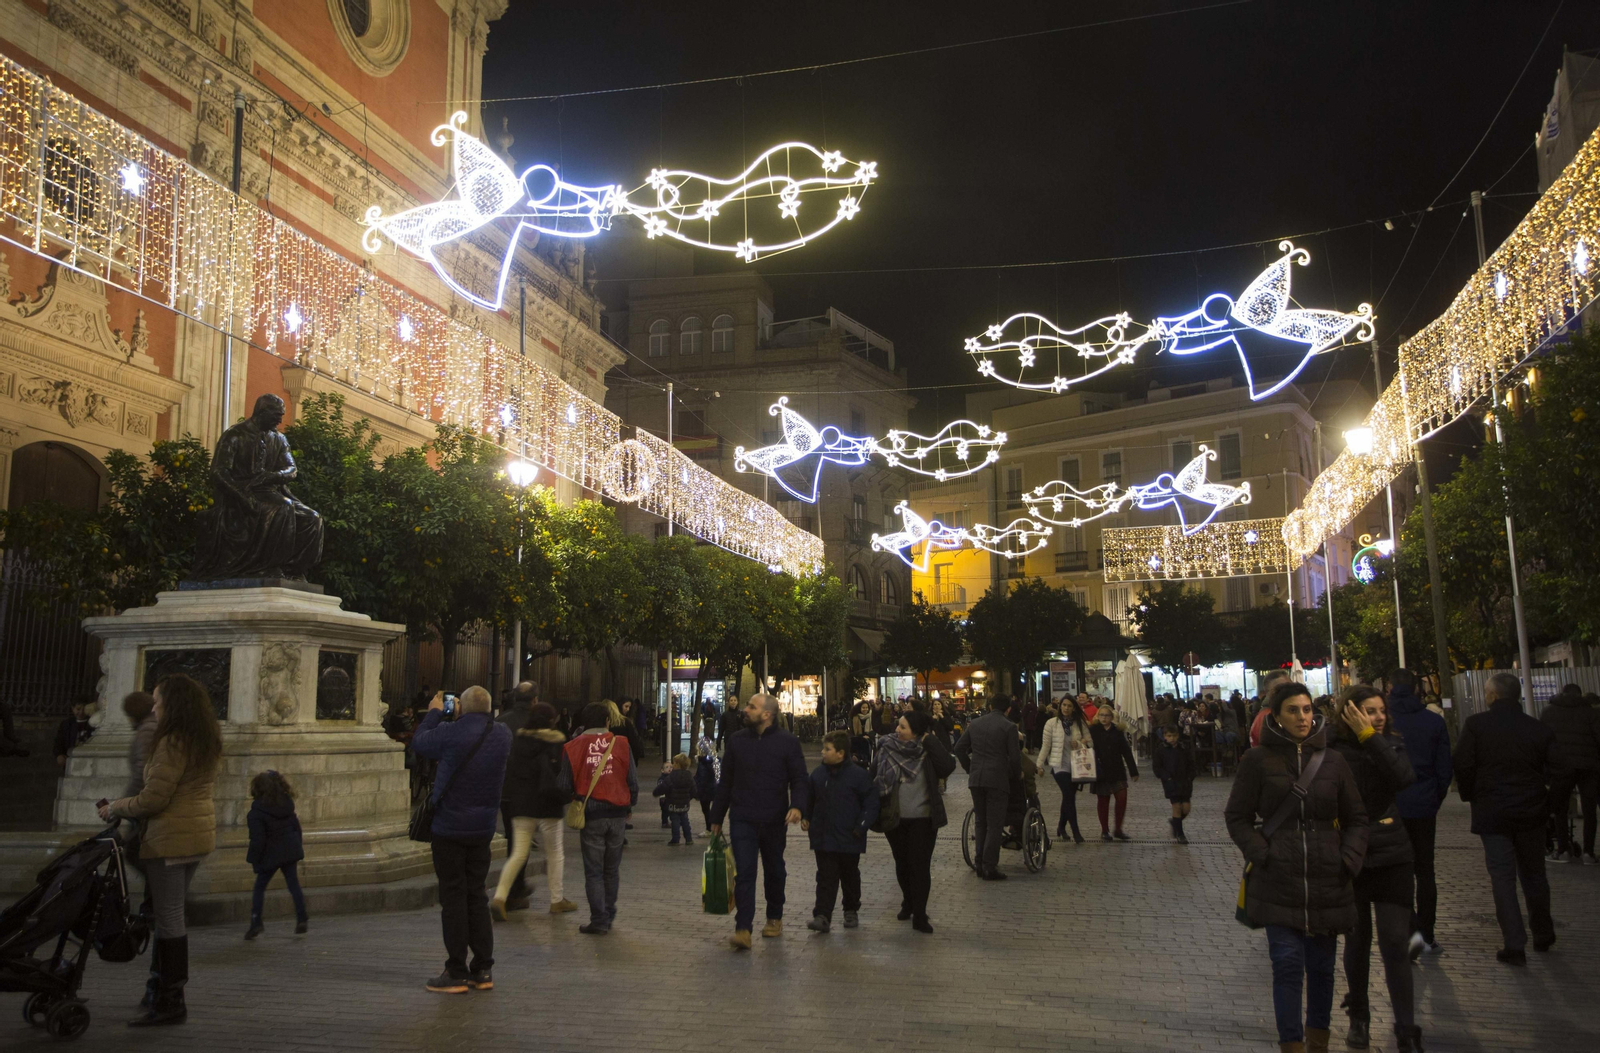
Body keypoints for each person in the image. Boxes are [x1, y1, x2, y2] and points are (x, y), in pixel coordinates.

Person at [1225, 680, 1369, 1053]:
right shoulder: (1257, 760)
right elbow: (1237, 816)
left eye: (1307, 710)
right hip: (1278, 878)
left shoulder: (1333, 760)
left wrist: (1348, 860)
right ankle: (1291, 1043)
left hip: (1328, 879)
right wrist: (1261, 852)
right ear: (1276, 716)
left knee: (1321, 970)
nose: (1303, 717)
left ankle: (1318, 1039)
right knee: (1287, 965)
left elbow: (1357, 818)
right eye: (1294, 710)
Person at [99, 674, 222, 1027]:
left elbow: (154, 798)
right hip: (196, 835)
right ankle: (158, 990)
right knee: (170, 913)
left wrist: (116, 807)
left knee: (168, 917)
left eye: (158, 701)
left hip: (170, 837)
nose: (154, 707)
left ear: (173, 704)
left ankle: (170, 999)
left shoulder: (172, 742)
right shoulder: (204, 738)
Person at [1329, 685, 1420, 1052]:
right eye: (1369, 711)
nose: (1378, 717)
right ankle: (1359, 1016)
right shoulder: (1334, 750)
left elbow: (1403, 778)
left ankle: (1406, 1028)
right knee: (1357, 940)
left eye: (1381, 710)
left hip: (1394, 854)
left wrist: (1371, 737)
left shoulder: (1391, 745)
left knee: (1396, 942)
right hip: (1354, 855)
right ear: (1350, 713)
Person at [1454, 672, 1561, 965]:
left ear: (1492, 696)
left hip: (1493, 812)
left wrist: (1471, 794)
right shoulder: (1537, 729)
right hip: (1531, 812)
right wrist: (1548, 801)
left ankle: (1514, 943)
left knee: (1502, 877)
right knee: (1535, 875)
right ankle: (1542, 932)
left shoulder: (1477, 726)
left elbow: (1463, 763)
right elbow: (1559, 769)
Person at [410, 686, 512, 993]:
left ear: (461, 708)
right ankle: (483, 968)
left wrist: (434, 712)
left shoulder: (451, 733)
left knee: (453, 897)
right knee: (476, 895)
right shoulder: (503, 734)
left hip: (450, 828)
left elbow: (420, 742)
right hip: (482, 828)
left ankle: (455, 970)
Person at [709, 692, 809, 950]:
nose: (745, 710)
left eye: (751, 707)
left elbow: (799, 778)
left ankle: (774, 916)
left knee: (775, 869)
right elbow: (726, 781)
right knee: (744, 872)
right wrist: (716, 817)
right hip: (742, 818)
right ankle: (743, 929)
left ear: (767, 714)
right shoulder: (736, 741)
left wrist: (797, 806)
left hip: (775, 819)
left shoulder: (787, 743)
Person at [1385, 667, 1452, 957]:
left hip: (1392, 806)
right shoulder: (1433, 722)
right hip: (1424, 803)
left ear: (1389, 688)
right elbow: (1444, 769)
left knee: (1399, 872)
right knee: (1425, 871)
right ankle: (1427, 934)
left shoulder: (1383, 722)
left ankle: (1409, 935)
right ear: (1416, 689)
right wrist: (1434, 798)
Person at [558, 702, 639, 935]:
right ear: (607, 721)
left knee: (594, 870)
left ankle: (599, 919)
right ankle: (609, 913)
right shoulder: (621, 744)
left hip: (591, 814)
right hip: (617, 814)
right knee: (611, 869)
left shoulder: (572, 747)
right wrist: (629, 805)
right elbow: (632, 780)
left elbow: (564, 785)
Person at [493, 702, 576, 919]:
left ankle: (500, 897)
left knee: (518, 853)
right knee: (555, 853)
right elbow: (559, 773)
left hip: (522, 803)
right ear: (551, 720)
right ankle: (557, 900)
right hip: (548, 803)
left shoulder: (519, 740)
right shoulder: (556, 741)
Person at [877, 711, 956, 932]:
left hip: (923, 820)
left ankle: (919, 914)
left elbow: (948, 767)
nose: (897, 730)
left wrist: (929, 738)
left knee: (920, 867)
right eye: (898, 725)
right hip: (895, 819)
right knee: (902, 864)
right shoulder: (886, 747)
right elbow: (873, 776)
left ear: (915, 731)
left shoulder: (928, 750)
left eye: (903, 727)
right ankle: (908, 901)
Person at [801, 730, 879, 933]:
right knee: (826, 877)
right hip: (824, 836)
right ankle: (822, 915)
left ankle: (851, 909)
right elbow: (810, 799)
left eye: (827, 749)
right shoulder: (818, 774)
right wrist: (806, 817)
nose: (822, 752)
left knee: (849, 876)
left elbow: (871, 804)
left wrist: (861, 826)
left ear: (841, 753)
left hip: (850, 837)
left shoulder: (858, 776)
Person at [954, 693, 1021, 880]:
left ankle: (979, 862)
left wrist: (970, 768)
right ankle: (989, 866)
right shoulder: (1009, 727)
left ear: (990, 707)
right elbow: (1015, 758)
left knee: (981, 821)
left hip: (976, 779)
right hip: (997, 780)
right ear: (1008, 709)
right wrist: (1016, 775)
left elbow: (958, 748)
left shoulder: (975, 724)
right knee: (995, 824)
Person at [243, 770, 308, 940]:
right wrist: (296, 847)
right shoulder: (286, 805)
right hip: (289, 851)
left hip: (270, 855)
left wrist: (254, 859)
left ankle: (256, 922)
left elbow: (258, 840)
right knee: (293, 885)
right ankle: (302, 917)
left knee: (259, 888)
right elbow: (296, 828)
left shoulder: (256, 813)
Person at [1540, 683, 1600, 864]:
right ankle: (1589, 853)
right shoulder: (1591, 712)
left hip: (1560, 767)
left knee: (1560, 809)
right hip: (1588, 767)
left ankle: (1563, 850)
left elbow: (1543, 740)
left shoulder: (1548, 712)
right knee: (1589, 809)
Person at [494, 681, 539, 911]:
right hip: (528, 792)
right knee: (520, 843)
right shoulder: (537, 724)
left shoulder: (500, 721)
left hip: (504, 790)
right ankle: (511, 891)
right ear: (534, 700)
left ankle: (516, 887)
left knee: (515, 838)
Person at [1036, 696, 1091, 843]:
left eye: (1069, 706)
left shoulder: (1079, 723)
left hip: (1076, 765)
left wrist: (1080, 743)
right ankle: (1076, 832)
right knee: (1069, 796)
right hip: (1059, 765)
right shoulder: (1051, 723)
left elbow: (1090, 741)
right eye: (1064, 705)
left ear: (1074, 708)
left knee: (1068, 797)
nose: (1066, 708)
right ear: (1060, 706)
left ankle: (1061, 826)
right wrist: (1039, 764)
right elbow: (1046, 745)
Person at [1088, 704, 1139, 842]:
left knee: (1122, 799)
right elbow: (1086, 746)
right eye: (1102, 715)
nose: (1104, 718)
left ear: (1112, 717)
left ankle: (1118, 829)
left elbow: (1126, 752)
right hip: (1101, 771)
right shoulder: (1093, 730)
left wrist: (1133, 771)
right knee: (1103, 801)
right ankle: (1104, 830)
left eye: (1107, 715)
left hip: (1117, 770)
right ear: (1098, 716)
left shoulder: (1117, 731)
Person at [1152, 725, 1196, 843]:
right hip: (1171, 782)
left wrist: (1190, 776)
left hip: (1184, 782)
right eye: (1169, 736)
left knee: (1186, 808)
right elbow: (1157, 766)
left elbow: (1191, 763)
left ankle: (1176, 822)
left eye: (1174, 736)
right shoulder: (1160, 750)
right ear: (1164, 737)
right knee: (1176, 807)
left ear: (1178, 736)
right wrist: (1166, 777)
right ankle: (1180, 834)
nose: (1172, 738)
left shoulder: (1183, 748)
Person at [654, 752, 697, 845]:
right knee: (685, 820)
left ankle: (675, 839)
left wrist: (656, 793)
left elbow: (663, 787)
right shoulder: (689, 776)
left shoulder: (672, 777)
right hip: (685, 804)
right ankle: (688, 838)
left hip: (673, 804)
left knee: (675, 821)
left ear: (677, 764)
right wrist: (690, 797)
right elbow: (694, 790)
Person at [1249, 670, 1291, 748]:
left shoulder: (1266, 714)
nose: (1291, 690)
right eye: (1285, 687)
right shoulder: (1269, 717)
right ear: (1273, 691)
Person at [54, 696, 95, 768]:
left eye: (84, 709)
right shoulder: (67, 724)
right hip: (71, 758)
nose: (81, 712)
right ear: (73, 708)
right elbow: (59, 741)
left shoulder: (92, 723)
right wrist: (59, 755)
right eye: (78, 709)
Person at [693, 736, 720, 833]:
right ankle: (715, 828)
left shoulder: (703, 762)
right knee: (715, 810)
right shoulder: (716, 760)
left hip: (706, 790)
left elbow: (702, 777)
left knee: (706, 810)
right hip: (716, 788)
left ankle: (710, 829)